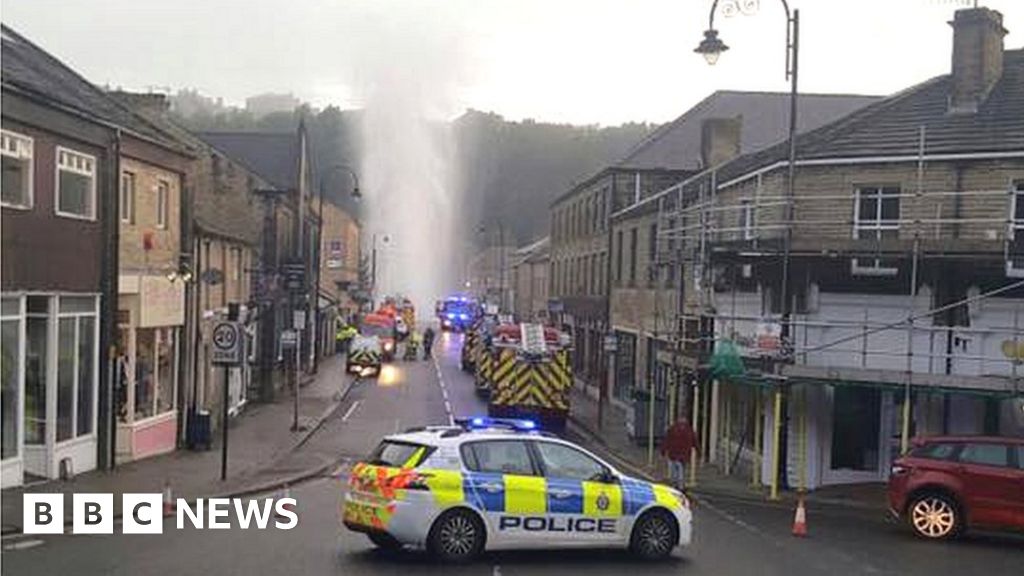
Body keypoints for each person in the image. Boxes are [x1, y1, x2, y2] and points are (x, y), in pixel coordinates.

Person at [660, 416, 699, 491]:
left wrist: (663, 451)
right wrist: (698, 451)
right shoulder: (689, 430)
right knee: (680, 470)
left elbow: (666, 440)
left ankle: (675, 485)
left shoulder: (672, 429)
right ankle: (680, 486)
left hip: (673, 454)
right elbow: (695, 441)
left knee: (674, 471)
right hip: (683, 455)